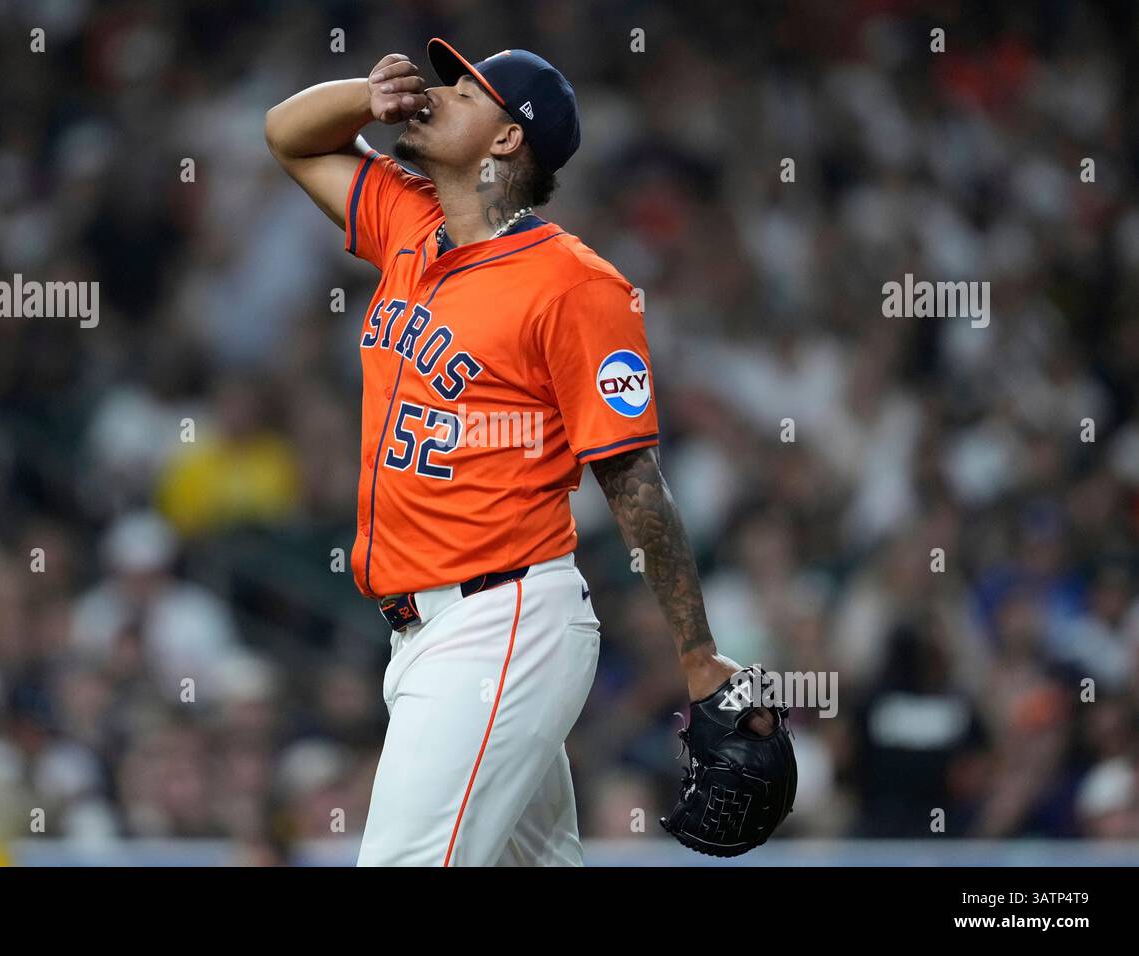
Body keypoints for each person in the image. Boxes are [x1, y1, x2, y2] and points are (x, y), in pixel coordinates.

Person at [265, 38, 786, 866]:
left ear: (508, 139)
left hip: (501, 620)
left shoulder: (575, 286)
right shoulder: (411, 220)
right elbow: (289, 134)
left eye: (465, 92)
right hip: (429, 630)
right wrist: (368, 97)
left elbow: (633, 478)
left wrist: (698, 659)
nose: (436, 93)